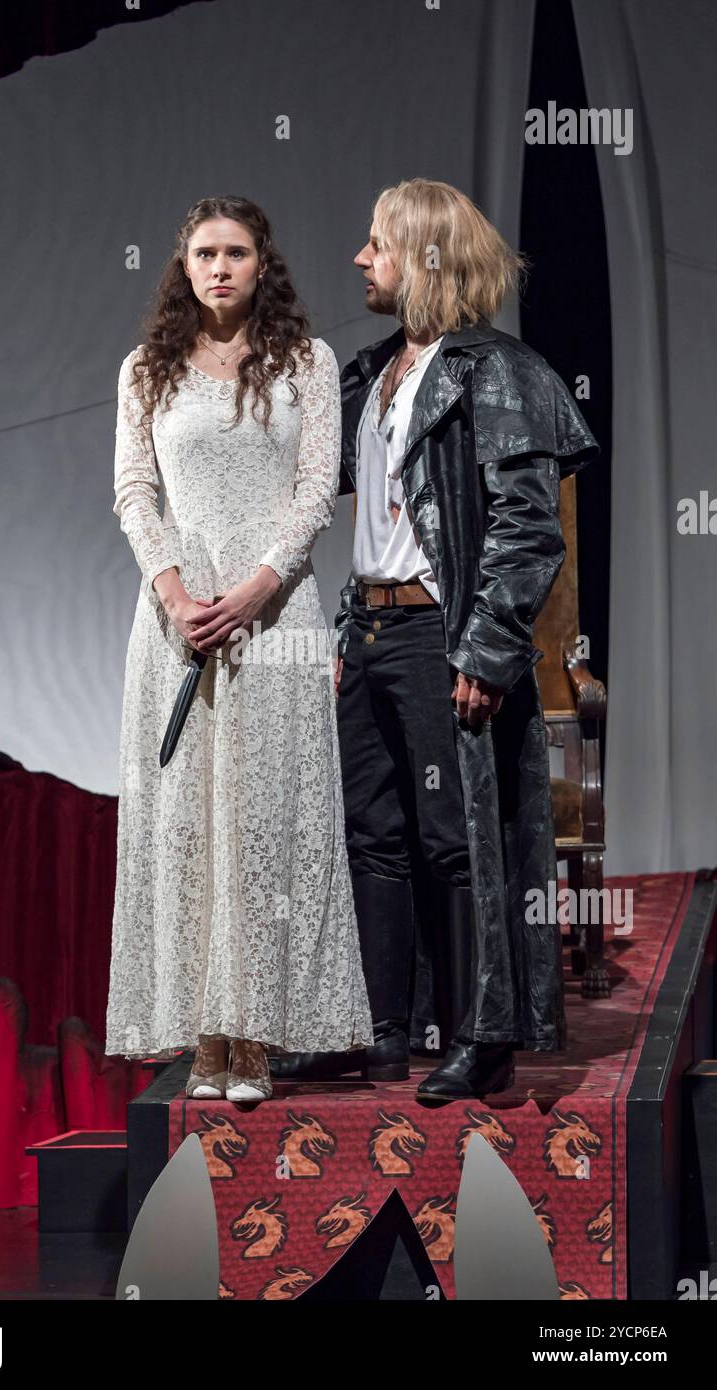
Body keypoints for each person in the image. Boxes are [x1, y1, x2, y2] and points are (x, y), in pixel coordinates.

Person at [270, 178, 599, 1101]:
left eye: (375, 243)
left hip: (438, 635)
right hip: (372, 628)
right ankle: (380, 1032)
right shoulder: (373, 373)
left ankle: (477, 1034)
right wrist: (344, 622)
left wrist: (488, 648)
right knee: (373, 833)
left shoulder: (496, 370)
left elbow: (529, 530)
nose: (360, 258)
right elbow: (346, 503)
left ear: (420, 255)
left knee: (456, 840)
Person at [105, 195, 374, 1103]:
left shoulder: (306, 361)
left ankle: (252, 1042)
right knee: (187, 825)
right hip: (178, 623)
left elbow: (314, 493)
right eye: (204, 254)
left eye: (237, 253)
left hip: (277, 617)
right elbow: (134, 495)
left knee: (266, 823)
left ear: (265, 264)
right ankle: (203, 1040)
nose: (220, 267)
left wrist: (258, 587)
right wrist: (177, 593)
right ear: (183, 267)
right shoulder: (146, 369)